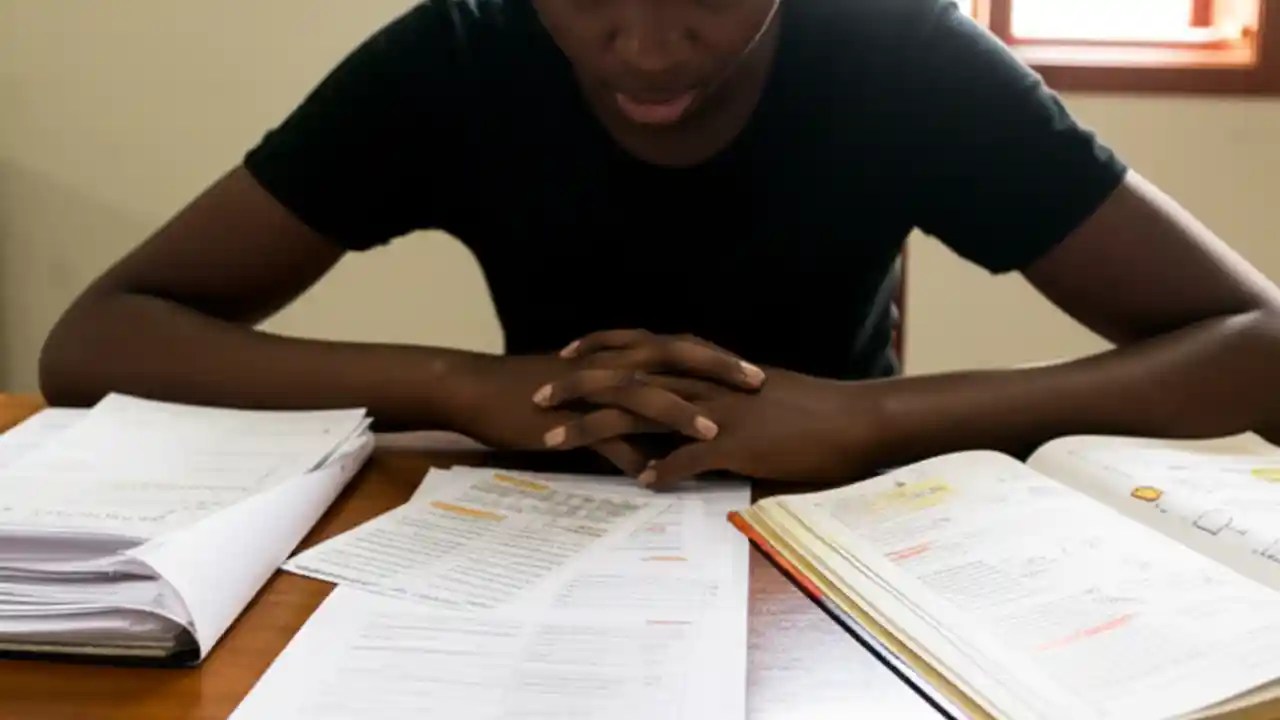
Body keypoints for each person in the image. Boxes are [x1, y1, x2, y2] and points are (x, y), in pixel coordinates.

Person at [39, 0, 1280, 490]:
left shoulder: (897, 55)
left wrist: (870, 418)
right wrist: (454, 385)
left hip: (849, 534)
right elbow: (93, 341)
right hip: (525, 534)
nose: (640, 48)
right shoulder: (461, 55)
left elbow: (1262, 347)